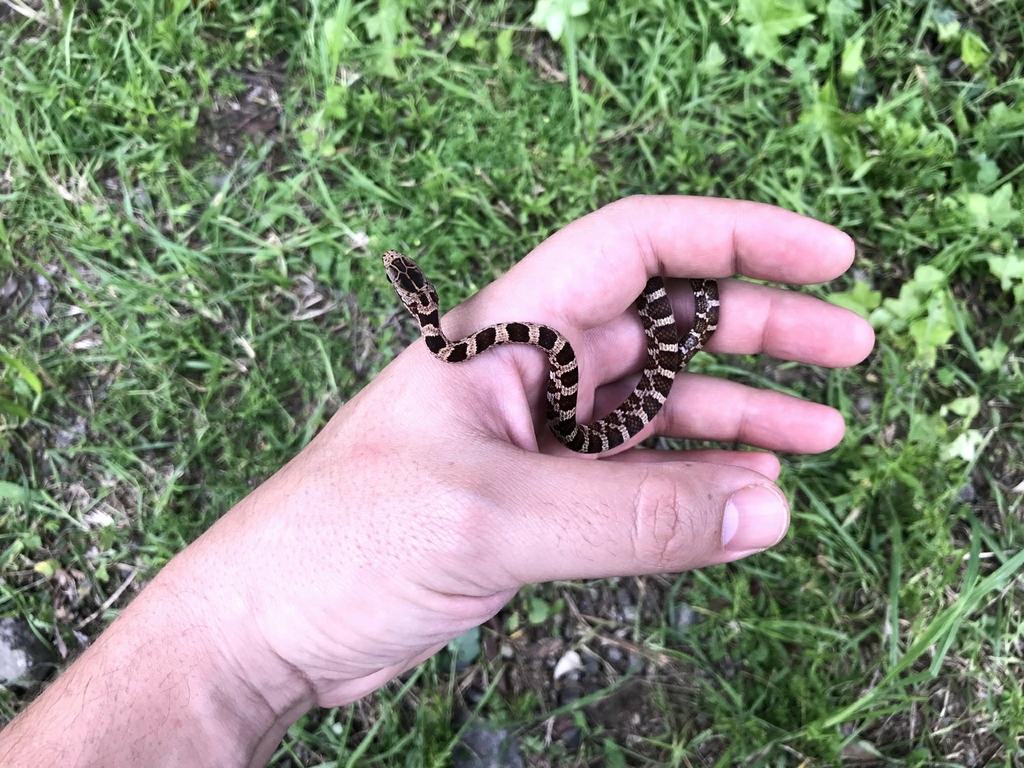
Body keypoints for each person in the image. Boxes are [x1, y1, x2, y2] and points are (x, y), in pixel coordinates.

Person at [0, 196, 874, 766]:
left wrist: (241, 656)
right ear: (423, 307)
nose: (410, 290)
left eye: (410, 291)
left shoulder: (501, 351)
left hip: (600, 375)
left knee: (637, 365)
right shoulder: (464, 346)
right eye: (415, 295)